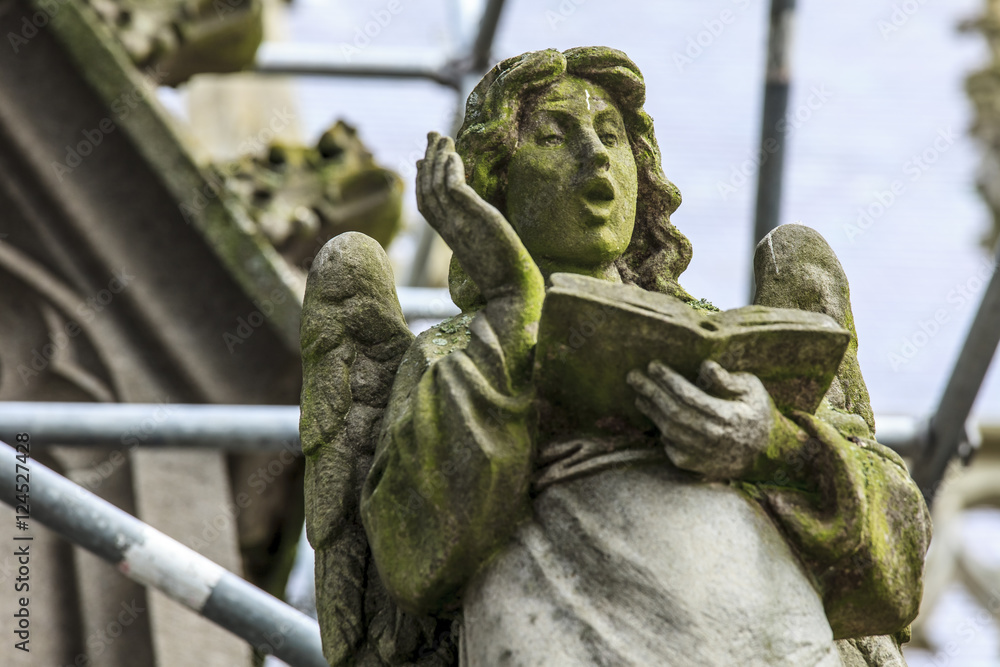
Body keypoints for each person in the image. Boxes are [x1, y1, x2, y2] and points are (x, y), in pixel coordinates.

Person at [358, 46, 930, 666]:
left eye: (612, 135)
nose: (595, 154)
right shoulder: (455, 354)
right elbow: (414, 557)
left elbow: (898, 552)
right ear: (492, 183)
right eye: (552, 136)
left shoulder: (742, 339)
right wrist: (510, 302)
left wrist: (771, 444)